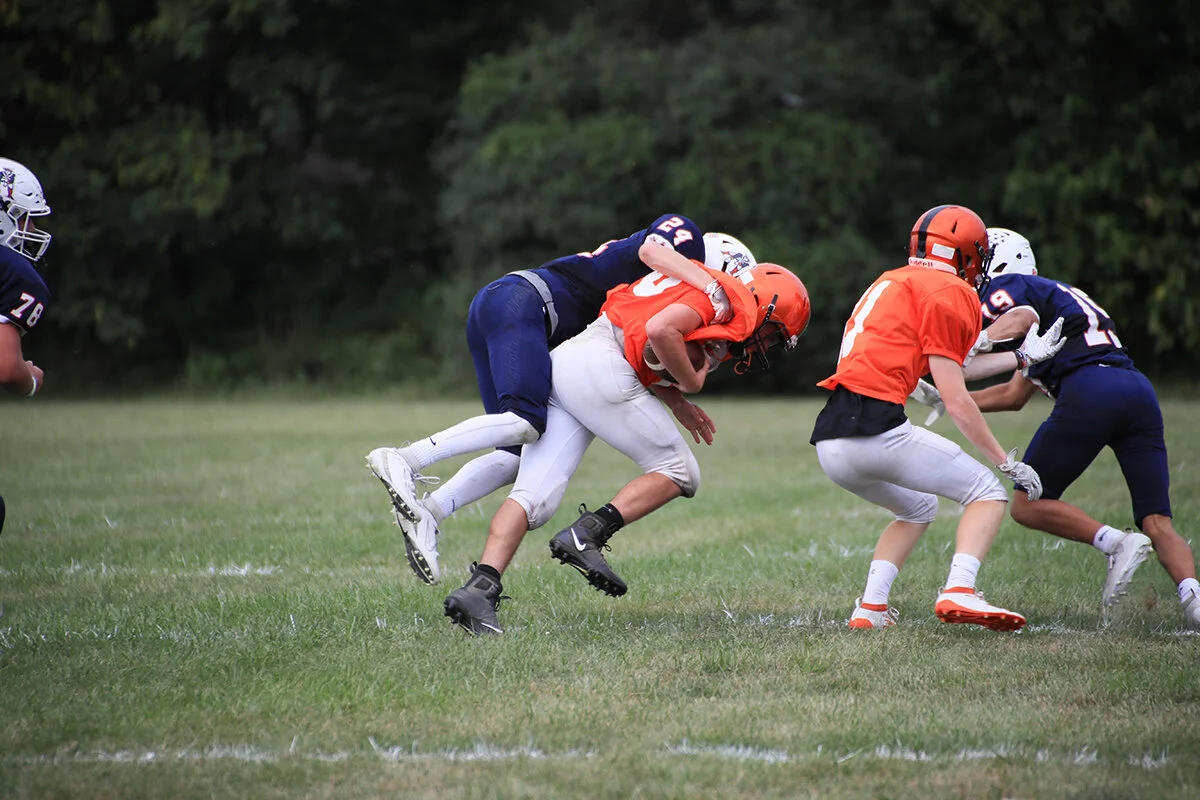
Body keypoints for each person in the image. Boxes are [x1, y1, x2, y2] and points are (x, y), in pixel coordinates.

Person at [365, 218, 756, 586]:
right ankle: (407, 458)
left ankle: (431, 513)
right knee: (525, 421)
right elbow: (652, 249)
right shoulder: (686, 250)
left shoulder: (668, 289)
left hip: (517, 310)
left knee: (516, 451)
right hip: (526, 301)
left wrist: (675, 401)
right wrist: (710, 286)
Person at [443, 262, 812, 634]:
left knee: (534, 497)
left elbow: (646, 347)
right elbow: (660, 330)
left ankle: (480, 588)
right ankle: (587, 532)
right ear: (765, 304)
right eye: (772, 334)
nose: (767, 345)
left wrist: (676, 399)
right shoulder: (720, 298)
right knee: (679, 470)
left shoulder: (695, 291)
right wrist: (691, 385)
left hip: (573, 361)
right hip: (601, 364)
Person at [914, 227, 1200, 629]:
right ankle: (1195, 602)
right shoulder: (1059, 295)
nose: (972, 272)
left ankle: (1115, 543)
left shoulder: (1014, 285)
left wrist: (974, 343)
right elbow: (1014, 395)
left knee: (1027, 505)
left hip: (1091, 391)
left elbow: (1017, 317)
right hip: (1137, 392)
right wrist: (951, 398)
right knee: (1157, 520)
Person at [810, 205, 1064, 633]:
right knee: (988, 493)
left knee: (918, 508)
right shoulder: (951, 291)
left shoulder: (890, 280)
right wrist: (1005, 461)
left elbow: (947, 364)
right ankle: (960, 589)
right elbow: (958, 398)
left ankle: (870, 609)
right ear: (965, 255)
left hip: (832, 441)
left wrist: (1019, 356)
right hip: (877, 432)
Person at [1, 158, 54, 536]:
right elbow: (5, 367)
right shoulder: (14, 274)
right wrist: (31, 379)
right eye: (24, 219)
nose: (31, 230)